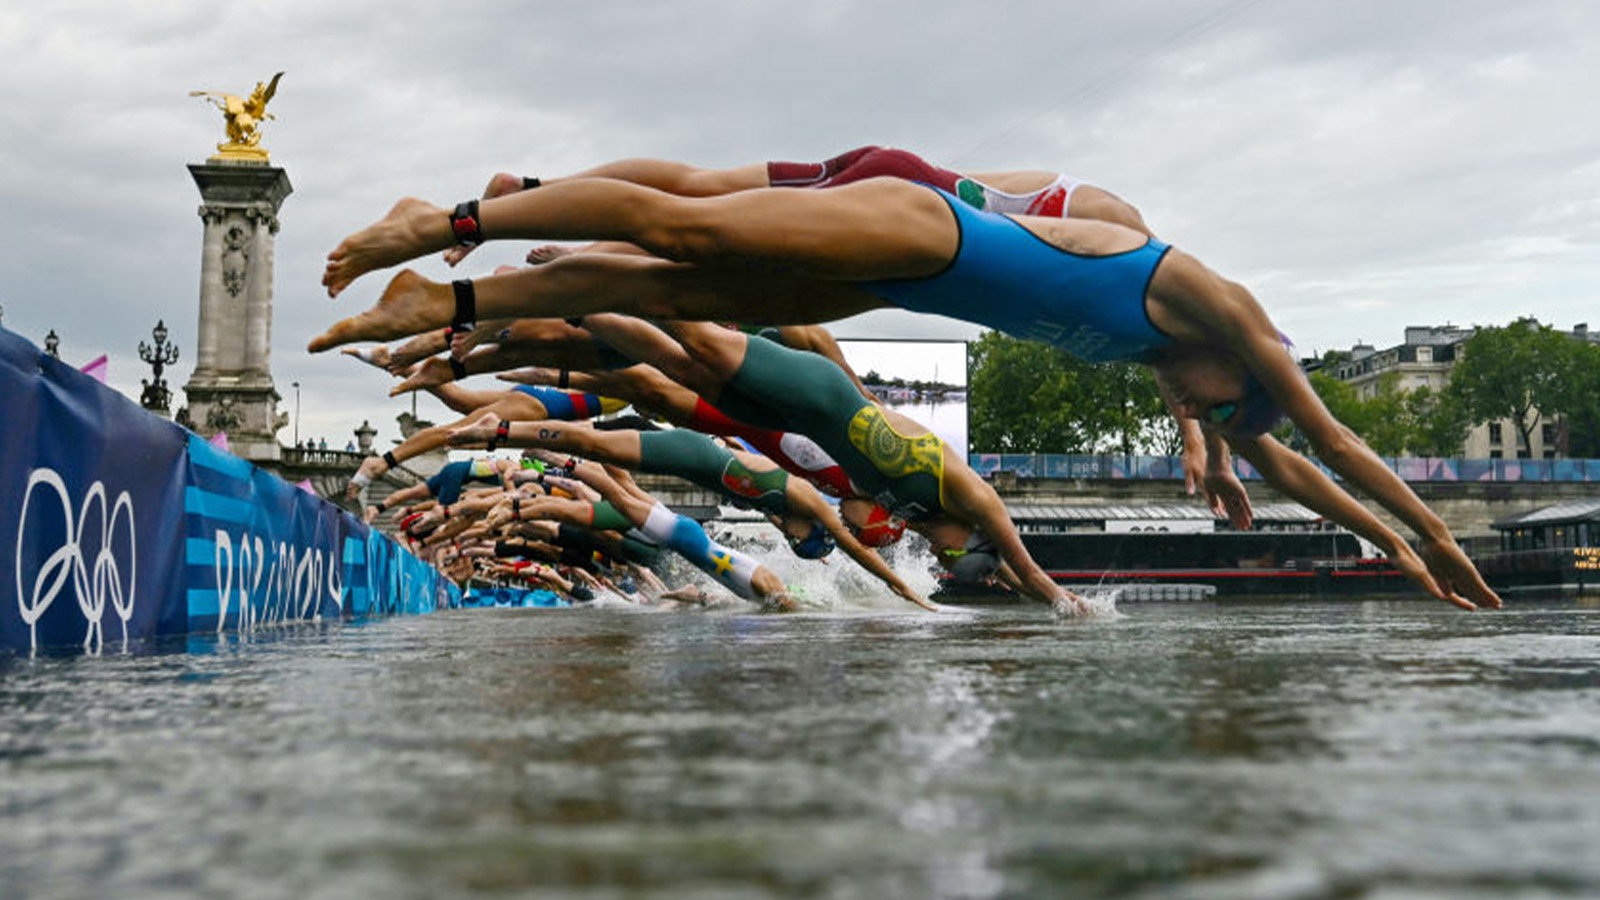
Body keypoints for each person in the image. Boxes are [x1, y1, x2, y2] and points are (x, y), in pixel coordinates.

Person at [312, 161, 1499, 611]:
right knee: (685, 234)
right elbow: (1332, 440)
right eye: (1218, 414)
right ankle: (448, 227)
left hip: (911, 283)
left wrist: (1386, 551)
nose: (1212, 425)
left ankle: (456, 309)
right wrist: (1437, 534)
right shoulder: (1215, 308)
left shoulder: (1186, 372)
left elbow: (1294, 467)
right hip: (927, 225)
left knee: (681, 288)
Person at [446, 416, 934, 610]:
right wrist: (903, 588)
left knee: (619, 489)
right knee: (612, 480)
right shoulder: (808, 503)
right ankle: (517, 434)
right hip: (698, 459)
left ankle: (540, 454)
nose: (793, 540)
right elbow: (854, 549)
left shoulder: (787, 516)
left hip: (701, 490)